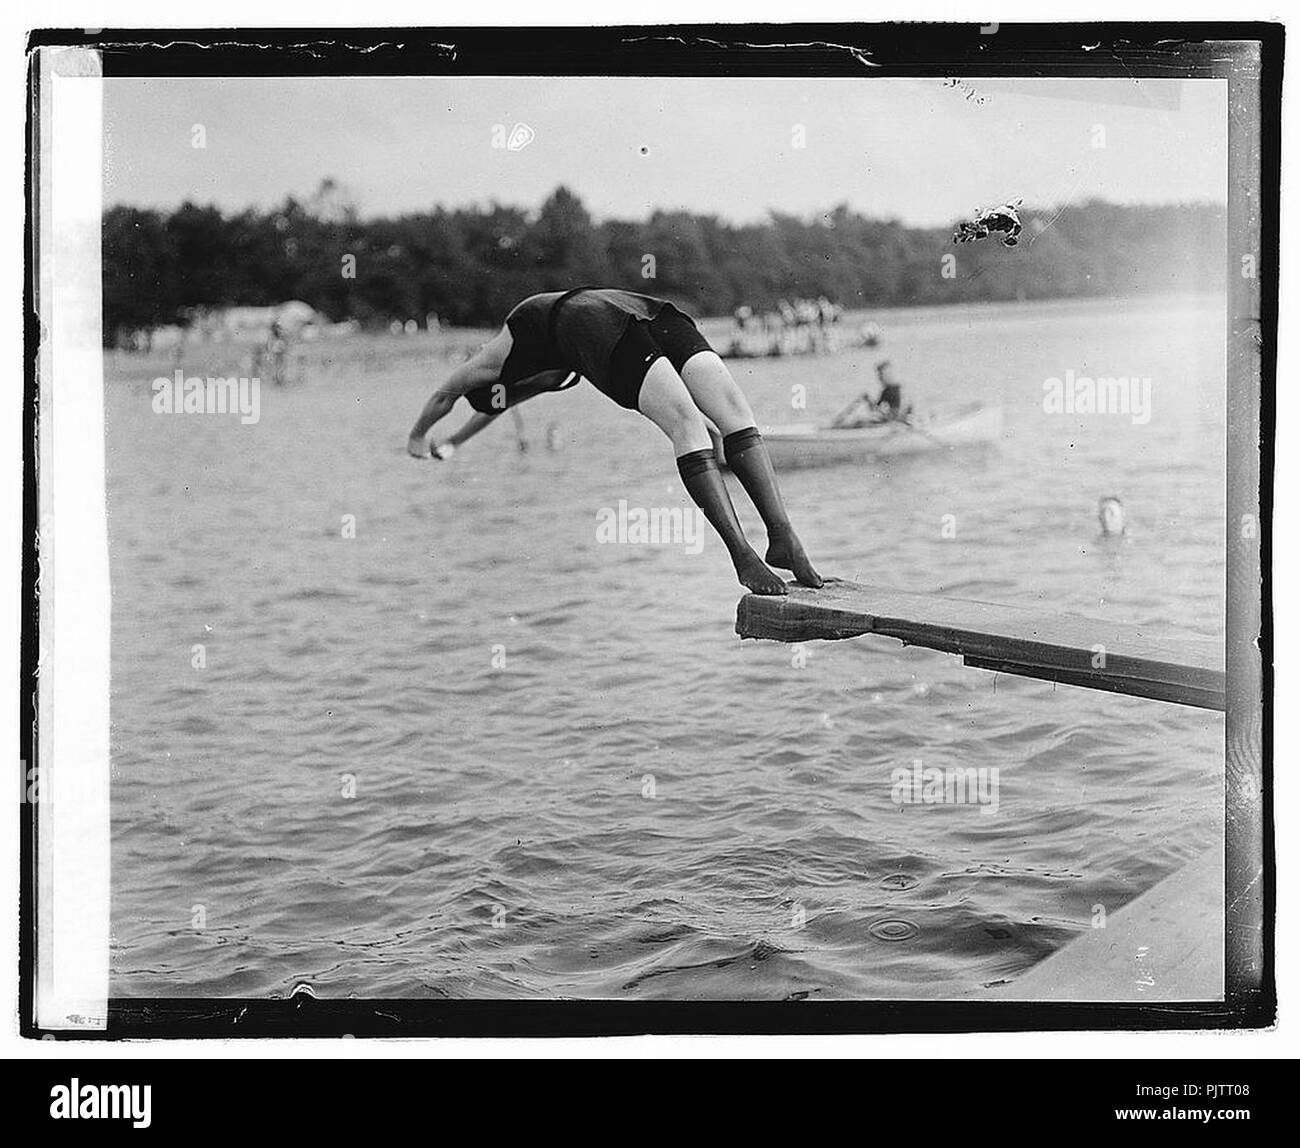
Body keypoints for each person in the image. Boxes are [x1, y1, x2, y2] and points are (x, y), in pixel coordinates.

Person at [406, 287, 821, 595]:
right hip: (629, 313)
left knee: (710, 418)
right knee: (710, 419)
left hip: (612, 319)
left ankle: (771, 543)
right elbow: (488, 411)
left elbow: (444, 396)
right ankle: (758, 548)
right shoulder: (533, 373)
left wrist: (417, 436)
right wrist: (455, 441)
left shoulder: (494, 360)